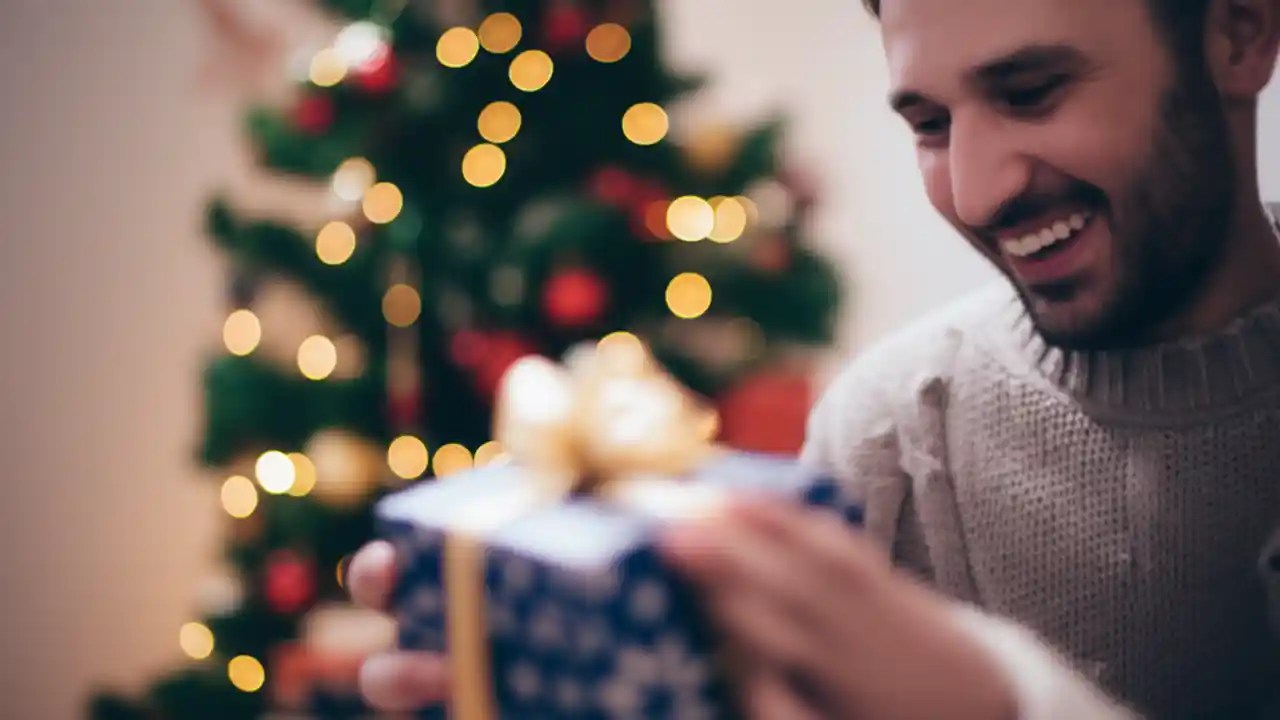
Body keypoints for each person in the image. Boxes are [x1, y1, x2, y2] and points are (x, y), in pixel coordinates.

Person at [346, 0, 1280, 716]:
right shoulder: (882, 434)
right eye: (929, 123)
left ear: (1238, 33)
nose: (977, 188)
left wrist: (987, 698)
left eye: (1030, 92)